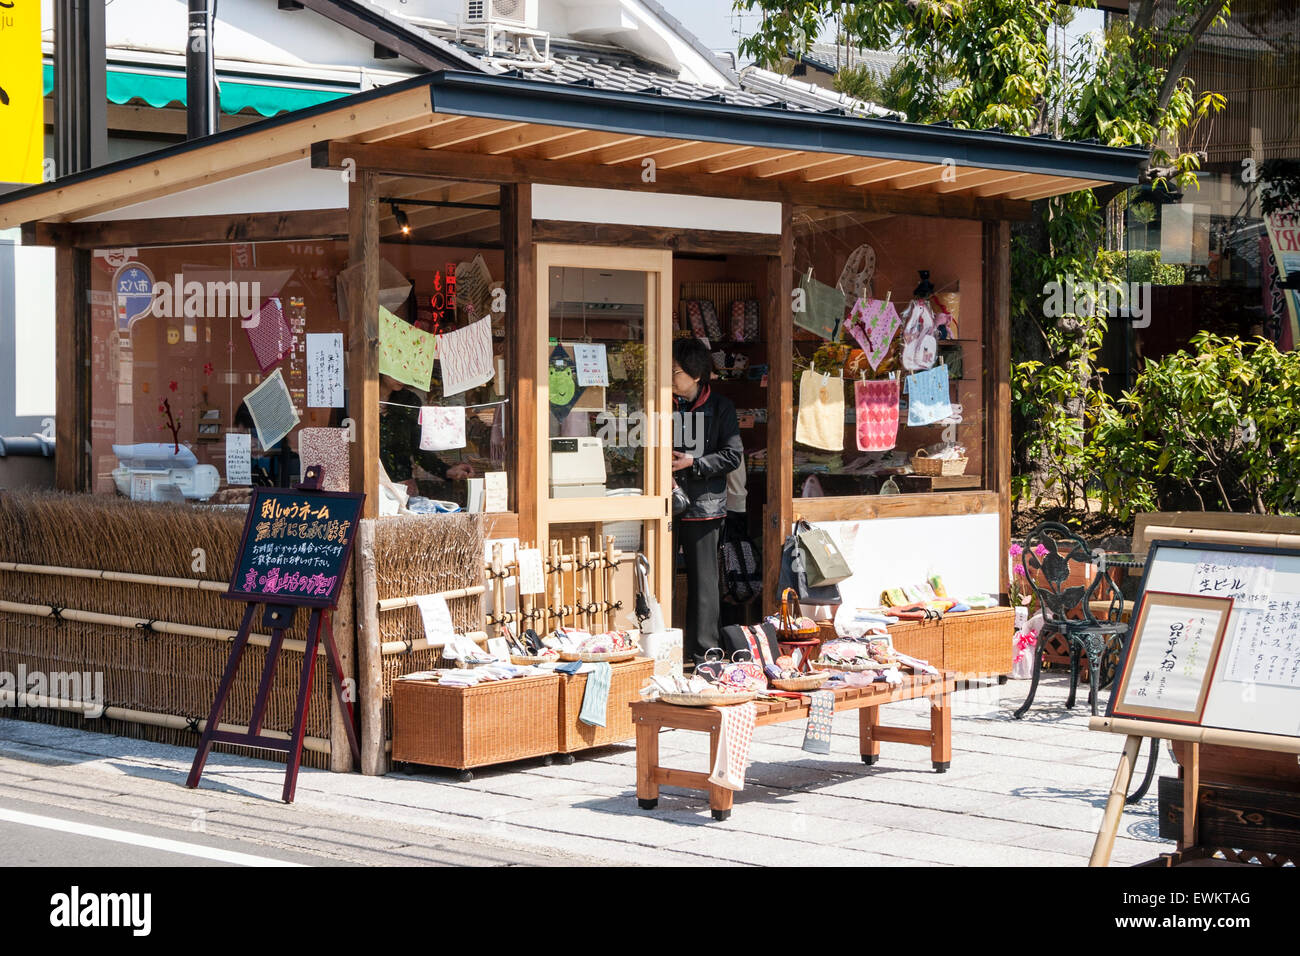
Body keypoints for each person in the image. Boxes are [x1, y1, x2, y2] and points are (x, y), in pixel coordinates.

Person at [671, 338, 743, 665]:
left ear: (697, 374)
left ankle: (705, 655)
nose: (671, 377)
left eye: (676, 371)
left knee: (704, 585)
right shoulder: (663, 404)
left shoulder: (722, 407)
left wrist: (694, 463)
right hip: (664, 503)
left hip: (705, 505)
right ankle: (665, 651)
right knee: (661, 579)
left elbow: (732, 456)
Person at [379, 374, 474, 496]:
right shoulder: (358, 398)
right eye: (395, 366)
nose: (402, 374)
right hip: (366, 484)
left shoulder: (409, 401)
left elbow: (419, 449)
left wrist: (446, 470)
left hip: (401, 488)